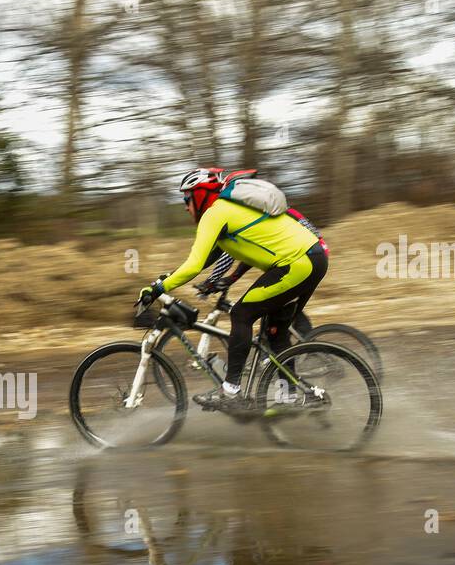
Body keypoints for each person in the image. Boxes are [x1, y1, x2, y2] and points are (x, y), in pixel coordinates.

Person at [139, 167, 329, 413]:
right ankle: (291, 396)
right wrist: (169, 278)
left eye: (187, 199)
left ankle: (231, 391)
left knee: (241, 314)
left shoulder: (215, 213)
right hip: (312, 259)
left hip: (296, 264)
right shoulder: (232, 211)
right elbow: (207, 258)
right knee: (275, 333)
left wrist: (158, 288)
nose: (186, 207)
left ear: (199, 194)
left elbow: (194, 264)